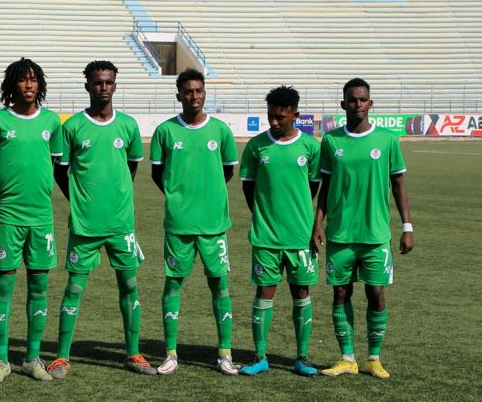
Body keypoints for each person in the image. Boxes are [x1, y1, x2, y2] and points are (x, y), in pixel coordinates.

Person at [50, 61, 152, 378]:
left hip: (121, 224)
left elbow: (131, 167)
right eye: (97, 83)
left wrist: (116, 198)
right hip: (86, 226)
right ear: (88, 87)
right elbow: (60, 172)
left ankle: (133, 353)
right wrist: (81, 200)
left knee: (130, 287)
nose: (103, 87)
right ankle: (62, 357)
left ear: (115, 85)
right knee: (74, 289)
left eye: (108, 82)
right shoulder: (71, 127)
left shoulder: (128, 126)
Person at [312, 78, 415, 379]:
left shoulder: (387, 140)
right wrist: (317, 224)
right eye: (352, 100)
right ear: (343, 104)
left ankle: (373, 358)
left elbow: (399, 185)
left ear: (371, 103)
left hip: (375, 234)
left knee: (376, 292)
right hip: (340, 235)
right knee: (340, 293)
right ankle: (347, 358)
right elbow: (326, 187)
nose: (358, 104)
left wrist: (407, 227)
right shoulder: (331, 142)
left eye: (363, 99)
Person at [0, 58, 62, 385]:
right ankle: (0, 360)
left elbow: (56, 167)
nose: (28, 86)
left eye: (33, 80)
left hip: (42, 218)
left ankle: (32, 358)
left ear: (40, 85)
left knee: (39, 287)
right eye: (22, 80)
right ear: (12, 84)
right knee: (4, 286)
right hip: (10, 216)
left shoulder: (52, 122)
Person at [149, 69, 238, 375]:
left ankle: (225, 353)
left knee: (220, 286)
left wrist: (207, 198)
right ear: (179, 95)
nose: (194, 96)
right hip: (179, 224)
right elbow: (157, 175)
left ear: (205, 93)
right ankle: (171, 353)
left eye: (199, 91)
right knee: (173, 285)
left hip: (214, 224)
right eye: (188, 91)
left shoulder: (221, 131)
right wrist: (179, 198)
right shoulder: (165, 131)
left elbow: (228, 171)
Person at [239, 86, 322, 376]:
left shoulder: (310, 147)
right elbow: (248, 186)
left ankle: (302, 357)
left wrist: (305, 220)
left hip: (299, 236)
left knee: (301, 291)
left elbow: (313, 187)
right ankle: (260, 356)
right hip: (266, 236)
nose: (275, 122)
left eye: (281, 117)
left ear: (295, 116)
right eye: (271, 116)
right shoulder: (256, 146)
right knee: (265, 293)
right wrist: (263, 214)